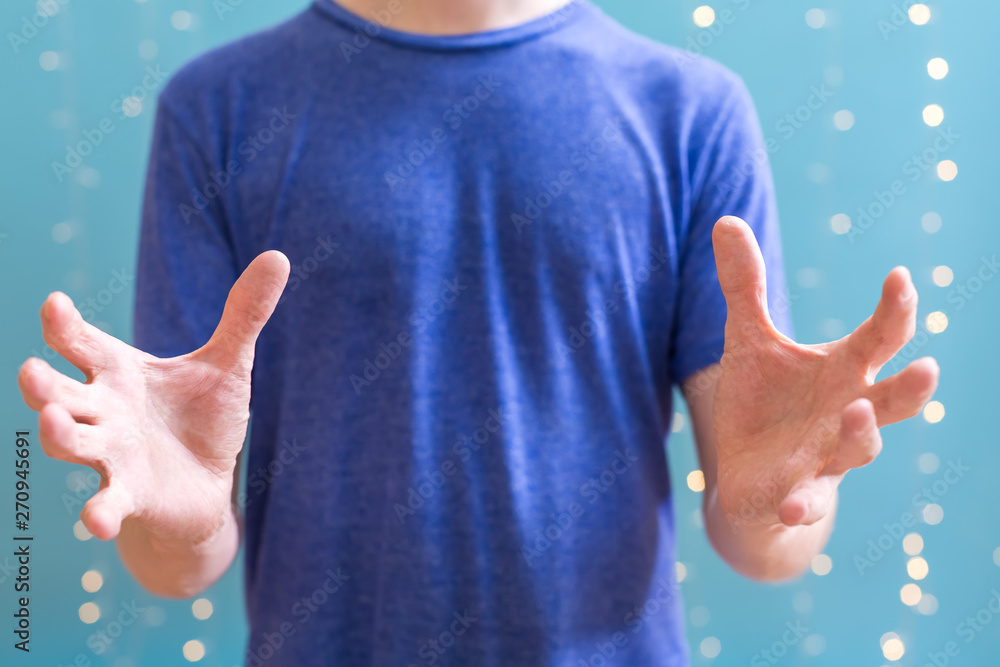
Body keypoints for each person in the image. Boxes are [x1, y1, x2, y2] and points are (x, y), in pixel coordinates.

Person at [18, 0, 940, 664]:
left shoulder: (693, 113)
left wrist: (772, 504)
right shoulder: (217, 109)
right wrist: (178, 527)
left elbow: (765, 547)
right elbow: (176, 559)